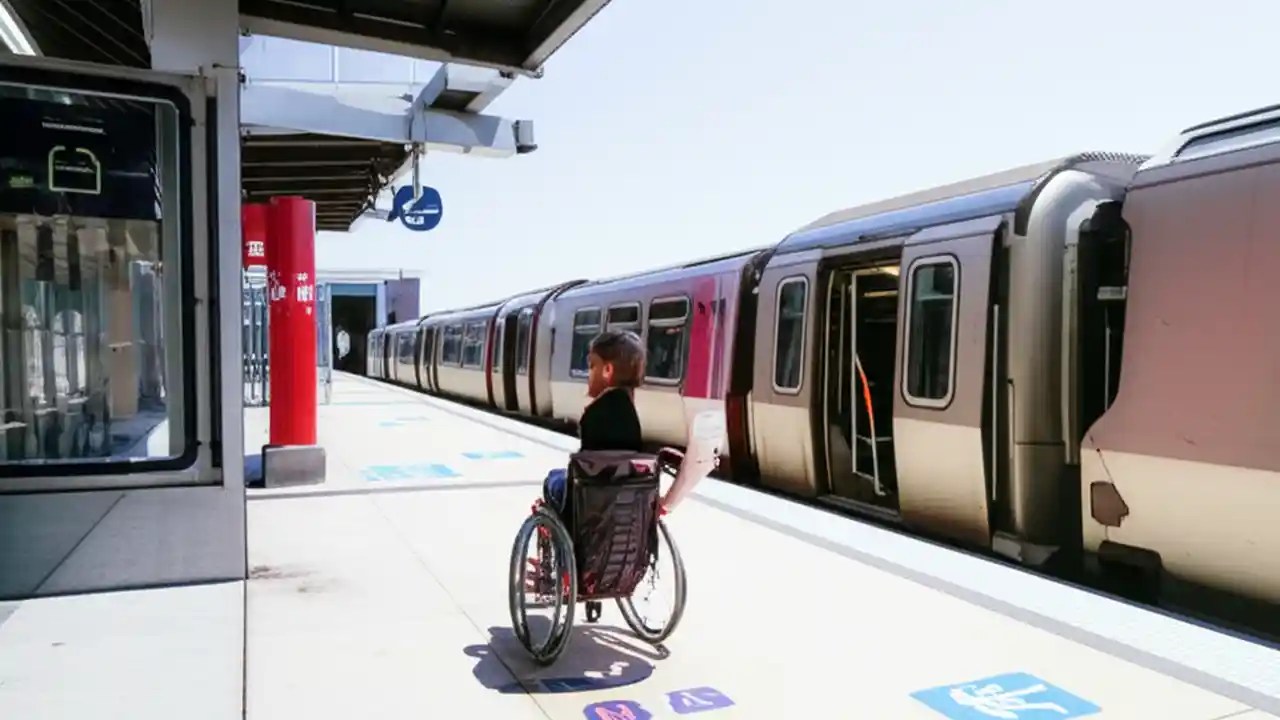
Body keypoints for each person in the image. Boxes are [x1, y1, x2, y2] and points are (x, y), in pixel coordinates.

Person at [542, 330, 645, 512]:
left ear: (607, 370)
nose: (588, 374)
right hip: (621, 501)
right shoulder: (630, 410)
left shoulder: (595, 413)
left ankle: (551, 533)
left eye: (592, 366)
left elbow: (585, 471)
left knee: (552, 479)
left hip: (590, 503)